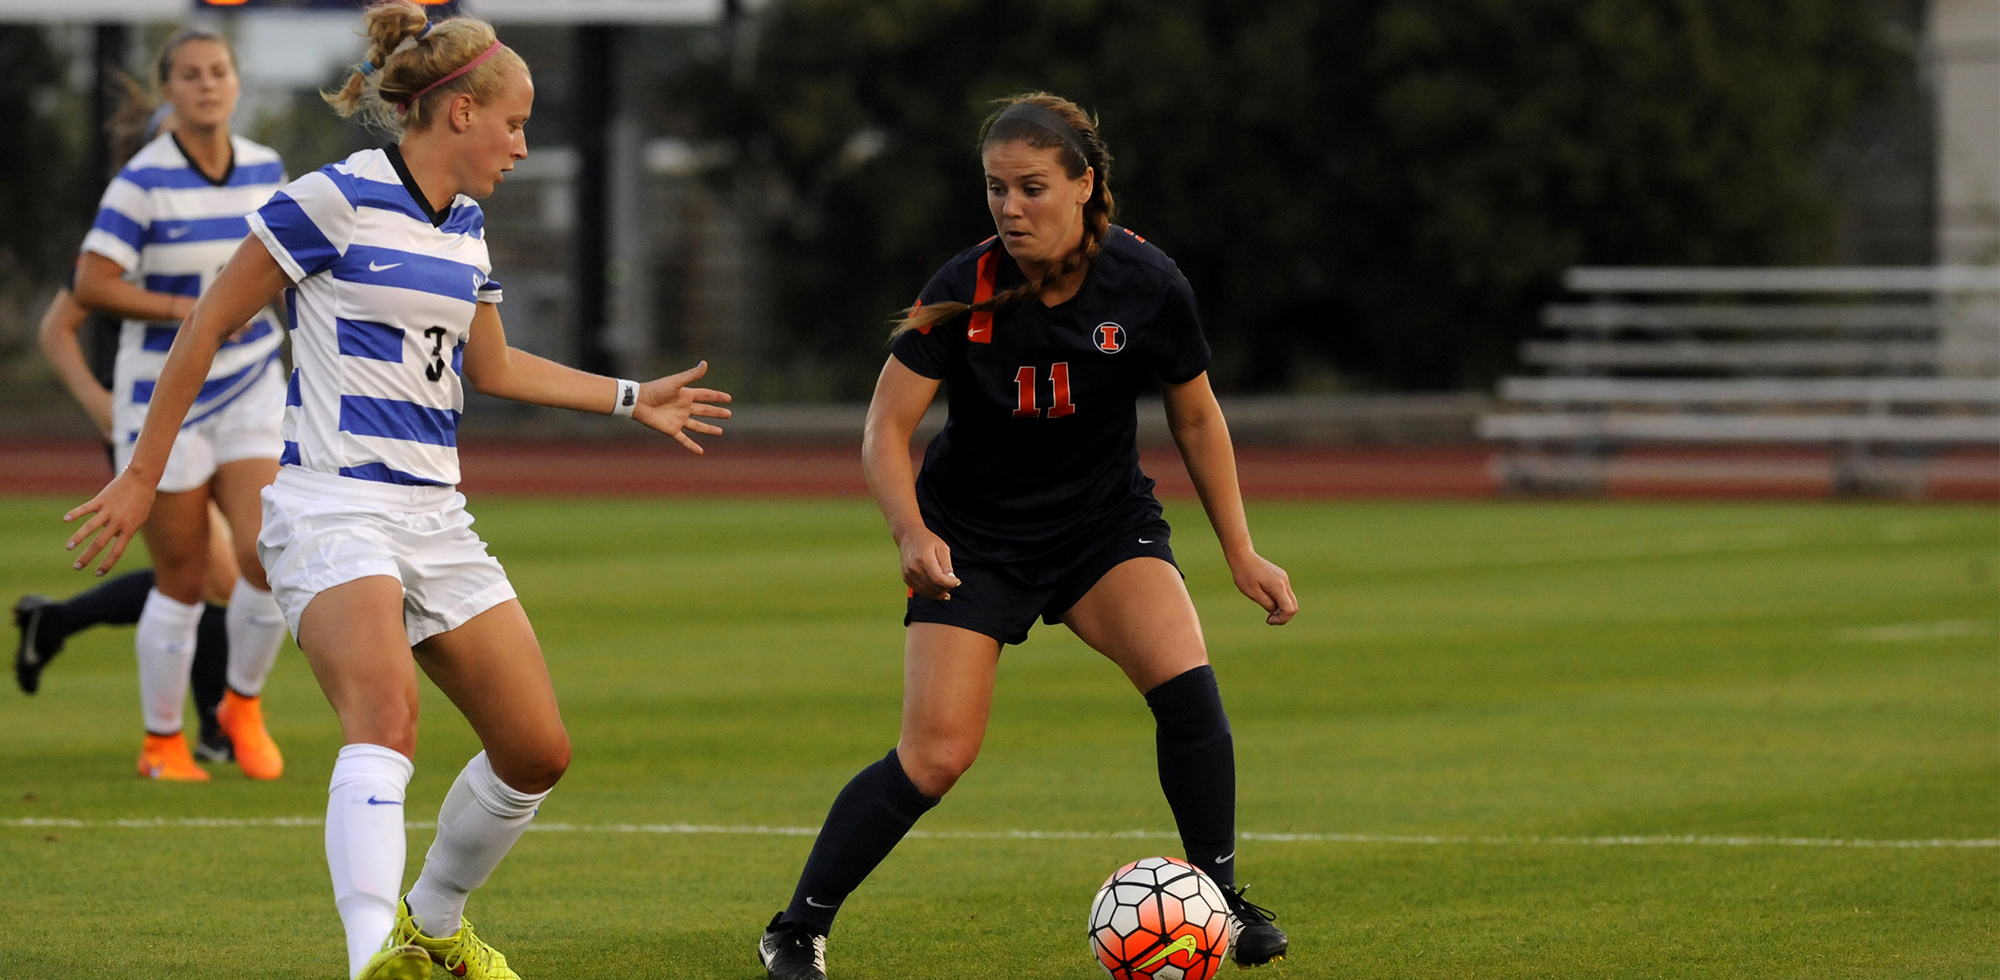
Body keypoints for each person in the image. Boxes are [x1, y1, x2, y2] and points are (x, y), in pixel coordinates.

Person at [63, 3, 731, 978]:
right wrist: (137, 472)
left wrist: (631, 399)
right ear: (458, 113)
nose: (522, 141)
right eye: (514, 119)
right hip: (332, 506)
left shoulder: (465, 225)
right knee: (386, 721)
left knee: (537, 749)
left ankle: (431, 919)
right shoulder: (329, 198)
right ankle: (372, 957)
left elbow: (489, 366)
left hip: (436, 515)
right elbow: (204, 326)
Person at [755, 94, 1299, 980]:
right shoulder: (961, 288)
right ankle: (797, 928)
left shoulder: (1148, 282)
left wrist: (1241, 550)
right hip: (976, 542)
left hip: (1100, 528)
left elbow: (1196, 419)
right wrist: (910, 533)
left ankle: (1221, 900)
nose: (1010, 207)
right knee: (935, 757)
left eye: (1032, 187)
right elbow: (883, 430)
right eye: (996, 189)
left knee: (1189, 691)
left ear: (1085, 186)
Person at [70, 28, 292, 782]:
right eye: (191, 75)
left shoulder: (266, 167)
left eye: (219, 72)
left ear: (236, 84)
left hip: (253, 381)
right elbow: (92, 283)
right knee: (185, 575)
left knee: (270, 552)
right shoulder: (142, 180)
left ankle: (242, 706)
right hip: (161, 394)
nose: (207, 85)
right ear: (168, 90)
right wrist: (187, 311)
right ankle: (162, 741)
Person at [16, 100, 239, 765]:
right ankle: (212, 729)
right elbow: (57, 326)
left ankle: (54, 621)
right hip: (146, 421)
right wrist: (101, 404)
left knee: (215, 576)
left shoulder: (215, 220)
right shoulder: (126, 223)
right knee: (209, 576)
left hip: (215, 414)